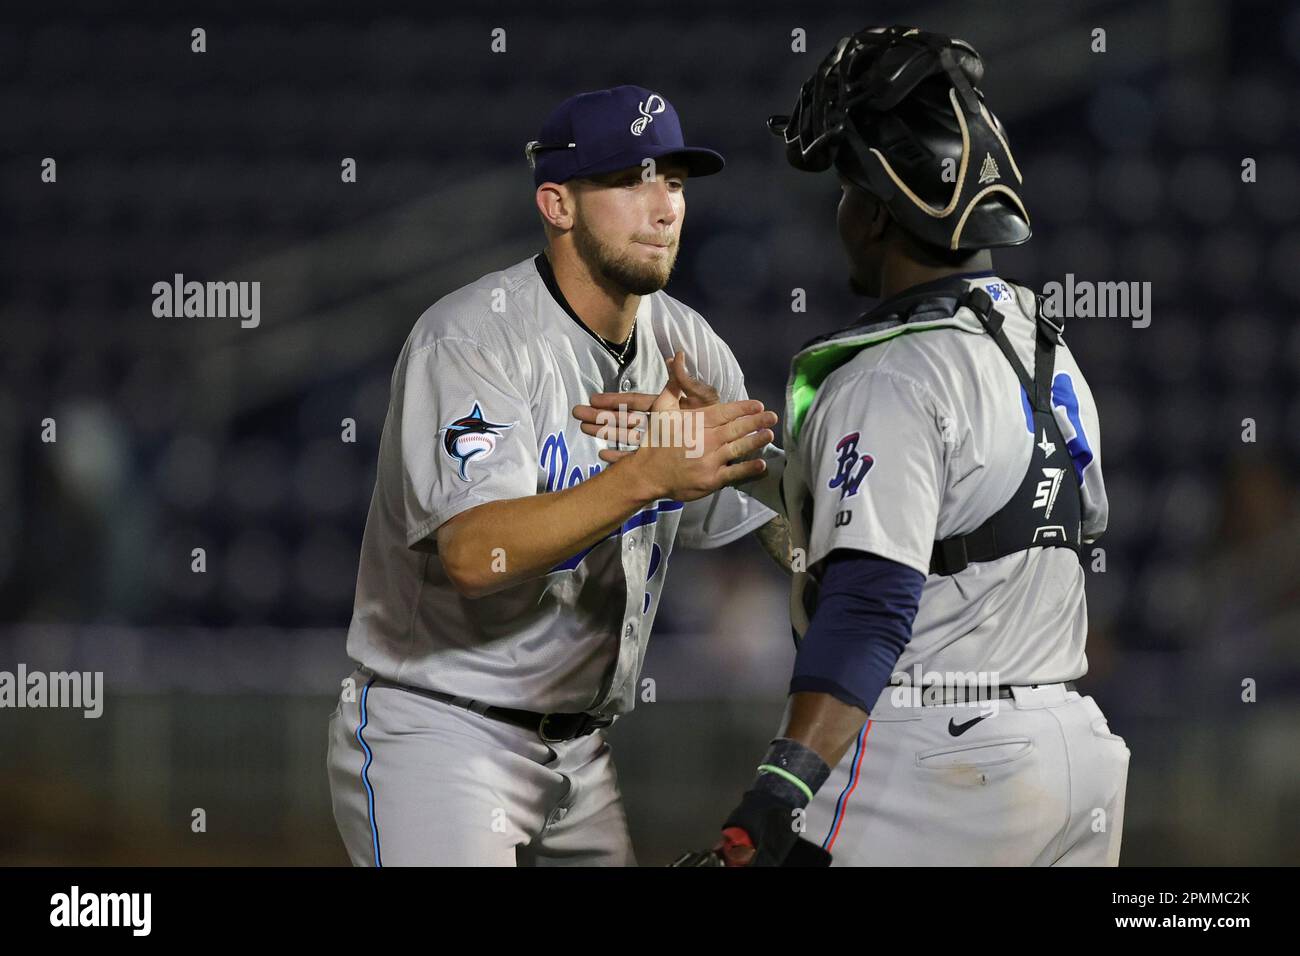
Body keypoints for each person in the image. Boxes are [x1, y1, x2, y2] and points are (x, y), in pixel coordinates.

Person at [591, 26, 1129, 867]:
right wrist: (748, 466)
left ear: (877, 213)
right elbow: (968, 525)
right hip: (1073, 749)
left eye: (847, 191)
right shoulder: (1044, 346)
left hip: (933, 756)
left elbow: (872, 601)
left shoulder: (889, 376)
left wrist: (781, 788)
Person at [326, 84, 787, 866]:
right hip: (440, 731)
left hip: (583, 752)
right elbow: (474, 557)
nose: (664, 207)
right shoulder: (473, 338)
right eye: (630, 179)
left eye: (673, 181)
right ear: (557, 203)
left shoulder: (687, 343)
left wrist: (760, 469)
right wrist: (646, 474)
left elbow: (789, 534)